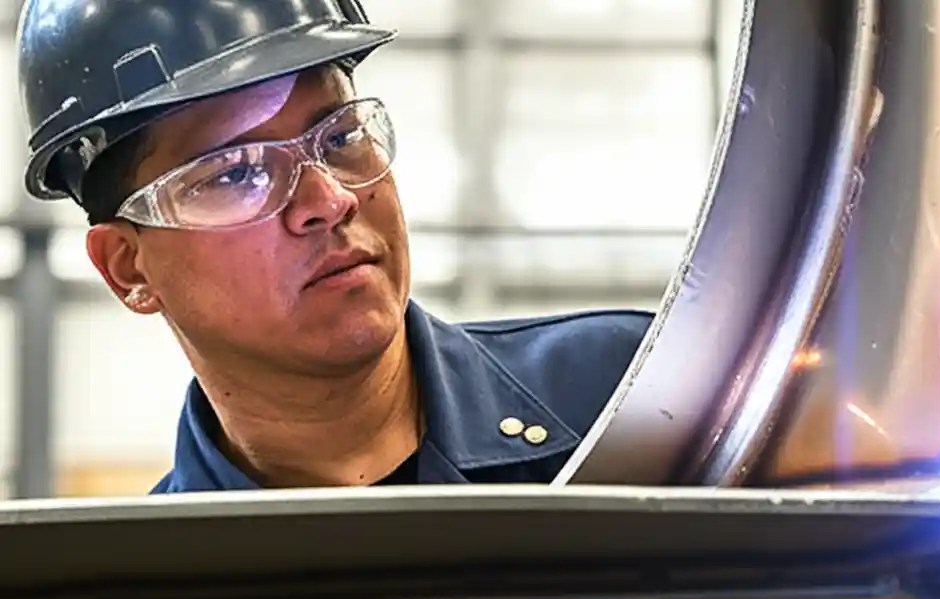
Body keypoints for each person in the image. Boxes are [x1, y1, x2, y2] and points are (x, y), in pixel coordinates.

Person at [15, 0, 652, 492]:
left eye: (341, 137)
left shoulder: (637, 400)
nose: (331, 198)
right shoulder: (143, 597)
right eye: (236, 174)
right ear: (128, 268)